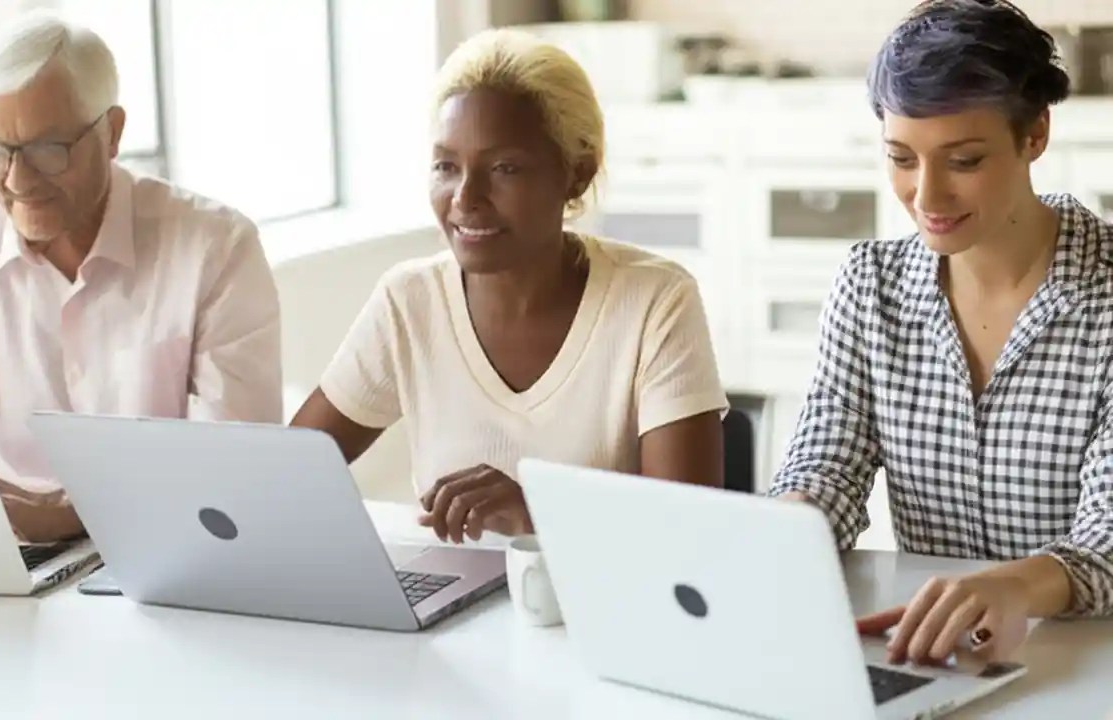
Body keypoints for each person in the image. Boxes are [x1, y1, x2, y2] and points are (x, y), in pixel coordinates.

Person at [770, 0, 1113, 665]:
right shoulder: (871, 285)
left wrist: (1016, 585)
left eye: (964, 161)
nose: (926, 196)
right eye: (901, 158)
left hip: (1086, 661)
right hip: (931, 657)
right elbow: (826, 465)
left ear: (1034, 134)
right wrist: (789, 527)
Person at [291, 29, 728, 545]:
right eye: (446, 167)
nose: (465, 198)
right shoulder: (409, 301)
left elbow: (692, 535)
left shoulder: (655, 302)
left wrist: (537, 516)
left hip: (602, 616)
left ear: (577, 174)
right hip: (452, 618)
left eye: (504, 168)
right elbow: (282, 474)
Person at [0, 12, 282, 543]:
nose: (17, 181)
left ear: (112, 133)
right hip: (11, 551)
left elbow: (239, 466)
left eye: (47, 149)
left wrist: (78, 514)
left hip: (179, 545)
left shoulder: (215, 249)